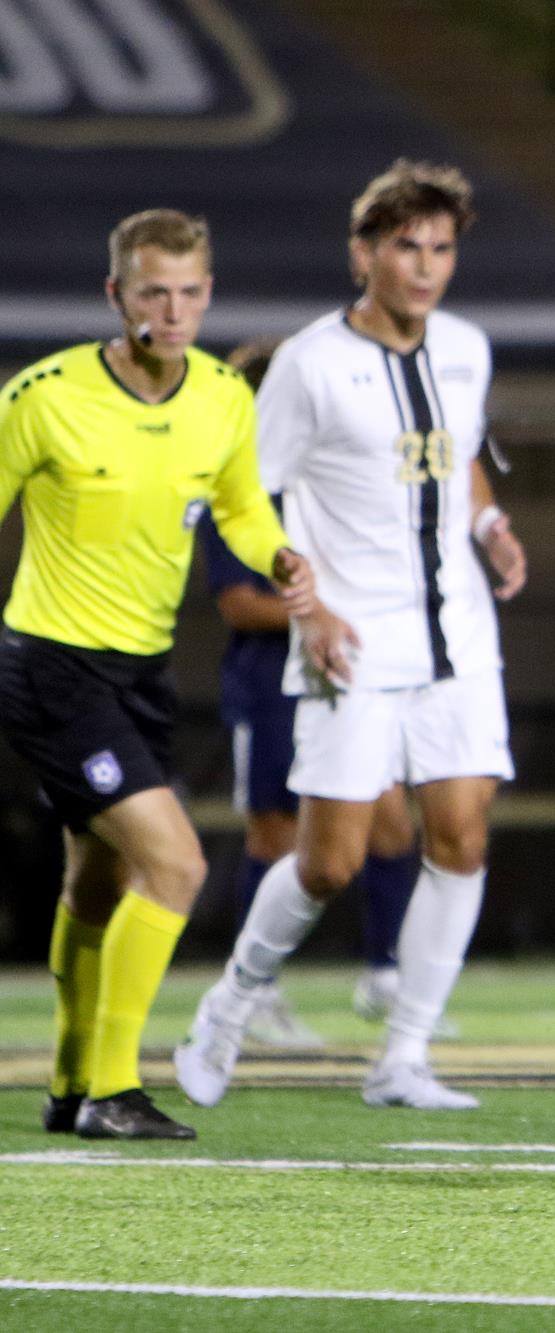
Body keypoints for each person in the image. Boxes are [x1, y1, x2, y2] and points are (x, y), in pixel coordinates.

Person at [176, 159, 525, 1112]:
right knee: (327, 863)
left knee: (460, 839)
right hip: (354, 641)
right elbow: (245, 495)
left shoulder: (467, 347)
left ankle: (402, 1056)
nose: (427, 265)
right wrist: (307, 603)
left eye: (442, 247)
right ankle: (228, 1006)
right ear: (364, 253)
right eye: (407, 246)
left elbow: (460, 457)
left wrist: (491, 526)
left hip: (459, 633)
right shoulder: (309, 363)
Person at [0, 209, 320, 1140]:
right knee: (175, 863)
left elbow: (242, 507)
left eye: (188, 293)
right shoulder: (45, 395)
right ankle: (112, 1086)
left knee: (98, 882)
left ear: (207, 294)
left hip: (141, 672)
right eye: (152, 293)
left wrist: (280, 555)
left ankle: (70, 1083)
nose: (171, 312)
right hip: (50, 665)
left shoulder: (222, 396)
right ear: (117, 294)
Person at [194, 358, 424, 1048]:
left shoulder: (339, 478)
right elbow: (239, 603)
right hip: (270, 683)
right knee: (275, 837)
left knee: (391, 822)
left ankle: (387, 974)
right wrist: (322, 612)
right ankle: (255, 991)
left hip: (346, 677)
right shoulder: (240, 487)